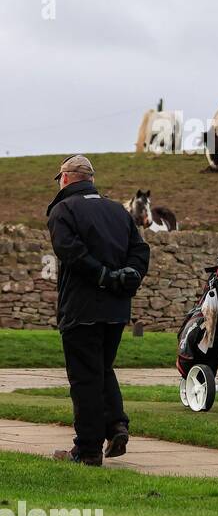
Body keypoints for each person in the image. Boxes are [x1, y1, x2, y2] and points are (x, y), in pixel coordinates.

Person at [45, 155, 150, 465]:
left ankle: (88, 449)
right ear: (90, 179)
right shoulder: (118, 211)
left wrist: (102, 276)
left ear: (65, 179)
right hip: (117, 307)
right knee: (102, 369)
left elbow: (71, 252)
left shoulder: (62, 210)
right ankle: (116, 424)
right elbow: (140, 250)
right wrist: (129, 273)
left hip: (81, 306)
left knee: (84, 378)